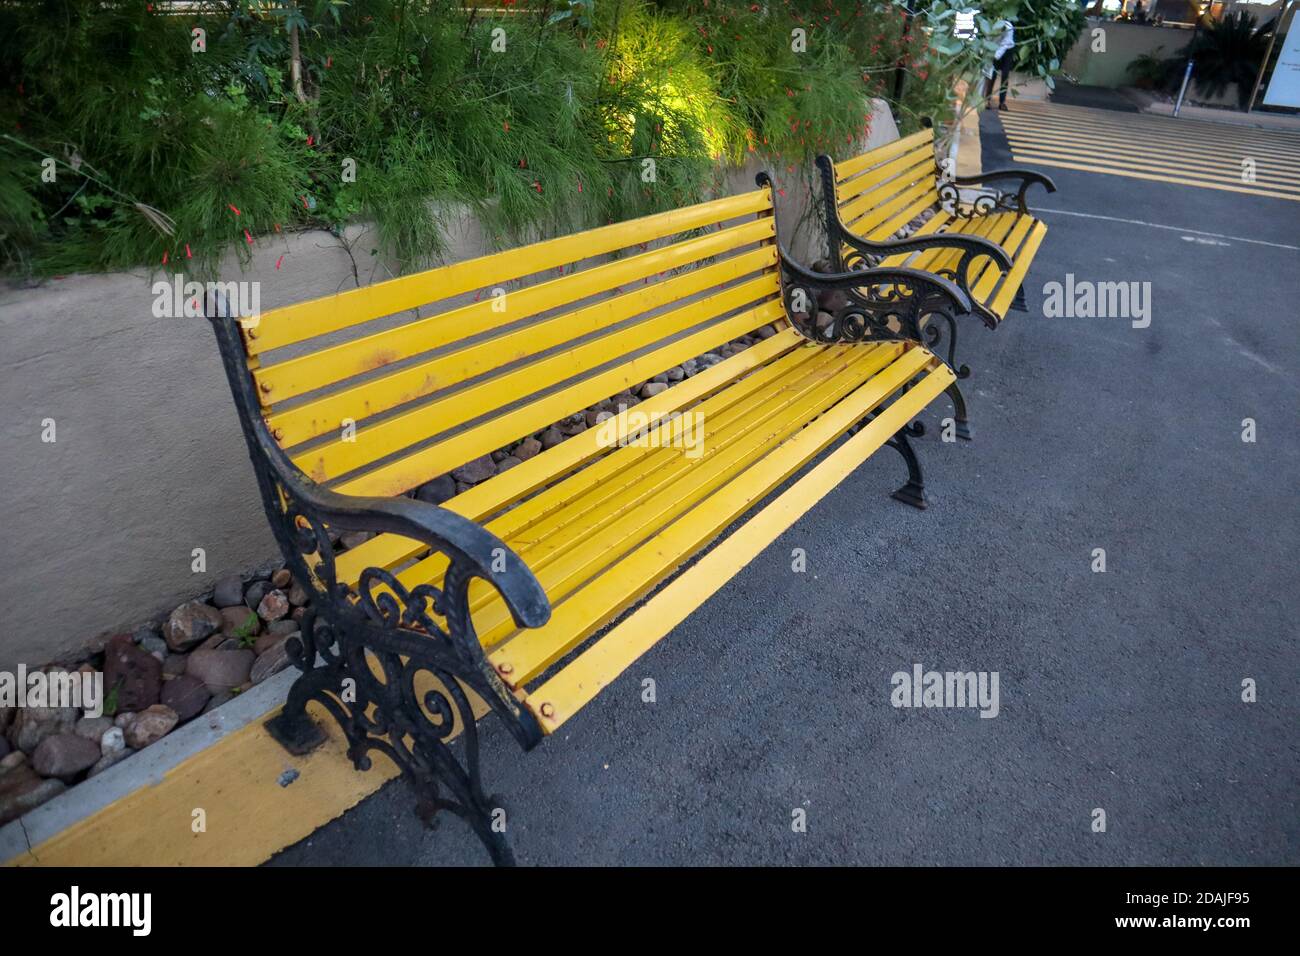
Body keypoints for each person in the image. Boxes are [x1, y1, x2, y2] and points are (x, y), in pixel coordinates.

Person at [985, 17, 1015, 112]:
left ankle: (1002, 102)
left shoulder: (1009, 27)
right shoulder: (990, 25)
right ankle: (987, 100)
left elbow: (1005, 44)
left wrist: (996, 56)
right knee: (992, 74)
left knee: (1005, 75)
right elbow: (988, 39)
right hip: (995, 49)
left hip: (1007, 50)